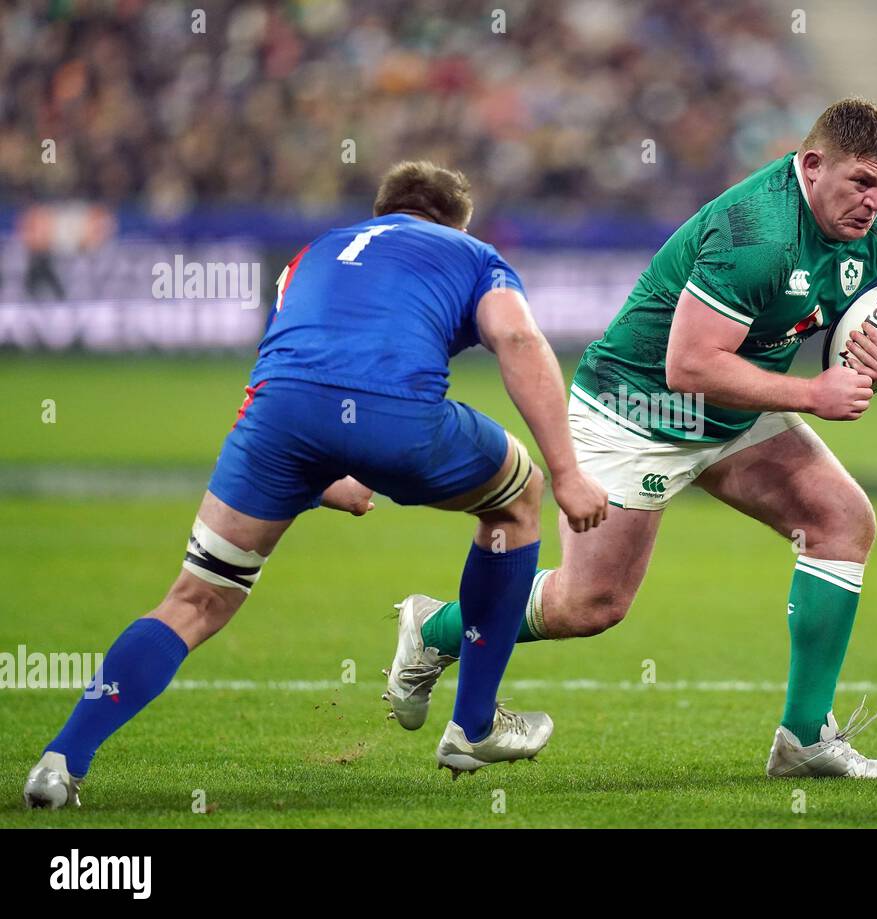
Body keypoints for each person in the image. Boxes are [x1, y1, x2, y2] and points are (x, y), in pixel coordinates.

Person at [382, 99, 877, 779]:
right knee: (592, 604)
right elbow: (689, 366)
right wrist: (812, 394)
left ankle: (803, 740)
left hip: (734, 413)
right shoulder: (759, 233)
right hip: (639, 408)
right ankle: (434, 628)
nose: (874, 201)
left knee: (842, 519)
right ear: (811, 164)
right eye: (861, 181)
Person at [24, 161, 607, 808]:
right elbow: (518, 335)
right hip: (395, 415)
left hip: (276, 417)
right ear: (456, 222)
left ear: (382, 211)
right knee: (517, 497)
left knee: (193, 599)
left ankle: (60, 760)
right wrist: (567, 472)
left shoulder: (311, 252)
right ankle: (474, 724)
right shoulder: (474, 254)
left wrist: (322, 472)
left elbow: (288, 356)